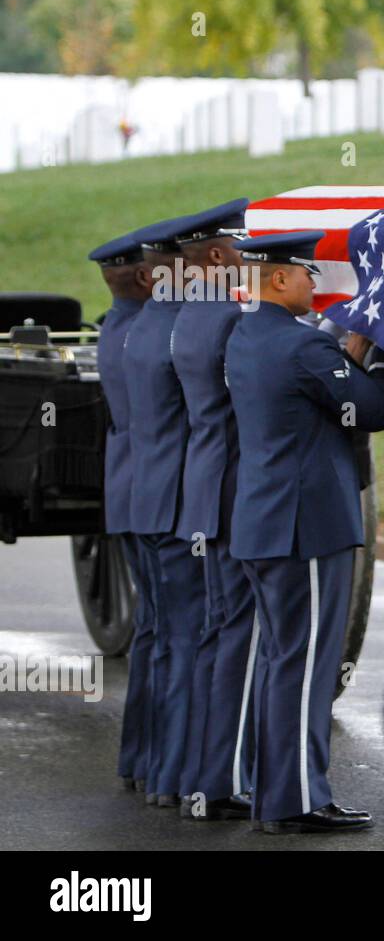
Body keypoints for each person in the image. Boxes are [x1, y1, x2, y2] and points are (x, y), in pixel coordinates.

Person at [225, 231, 384, 833]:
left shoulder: (244, 337)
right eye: (305, 273)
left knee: (281, 661)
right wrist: (373, 351)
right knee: (305, 669)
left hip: (263, 522)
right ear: (278, 278)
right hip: (307, 528)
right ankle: (298, 800)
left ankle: (278, 795)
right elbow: (373, 409)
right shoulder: (302, 348)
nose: (314, 284)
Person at [169, 199, 258, 822]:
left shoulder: (187, 316)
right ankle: (220, 782)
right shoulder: (233, 319)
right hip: (230, 494)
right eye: (248, 251)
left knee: (212, 634)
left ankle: (192, 776)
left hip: (202, 488)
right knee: (237, 637)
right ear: (223, 256)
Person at [123, 215, 207, 808]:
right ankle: (176, 775)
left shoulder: (139, 325)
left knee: (158, 638)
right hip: (179, 502)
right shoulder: (184, 330)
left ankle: (146, 762)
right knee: (186, 638)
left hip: (146, 495)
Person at [89, 230, 156, 794]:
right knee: (174, 634)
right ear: (142, 277)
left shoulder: (119, 327)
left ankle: (144, 759)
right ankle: (169, 763)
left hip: (131, 497)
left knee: (157, 635)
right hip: (159, 501)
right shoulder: (151, 333)